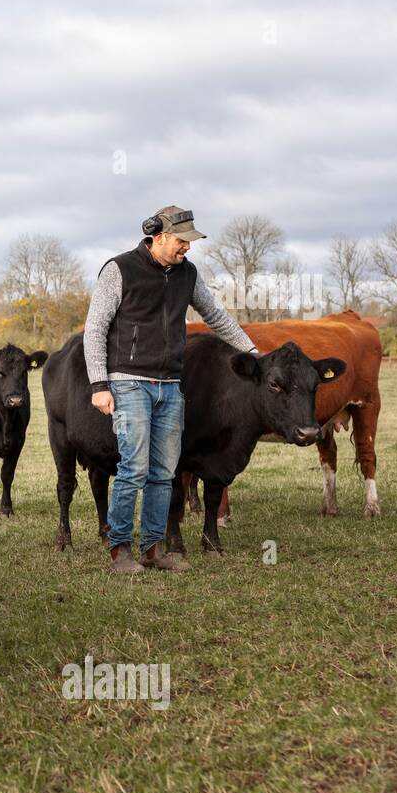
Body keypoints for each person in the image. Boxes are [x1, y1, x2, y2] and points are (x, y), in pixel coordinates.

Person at [83, 206, 257, 574]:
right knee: (133, 468)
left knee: (164, 471)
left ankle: (153, 549)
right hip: (128, 382)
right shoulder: (119, 270)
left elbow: (216, 316)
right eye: (181, 241)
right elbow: (95, 329)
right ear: (157, 236)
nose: (187, 249)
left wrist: (253, 353)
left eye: (190, 243)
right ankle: (120, 551)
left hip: (170, 387)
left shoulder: (187, 274)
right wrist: (100, 384)